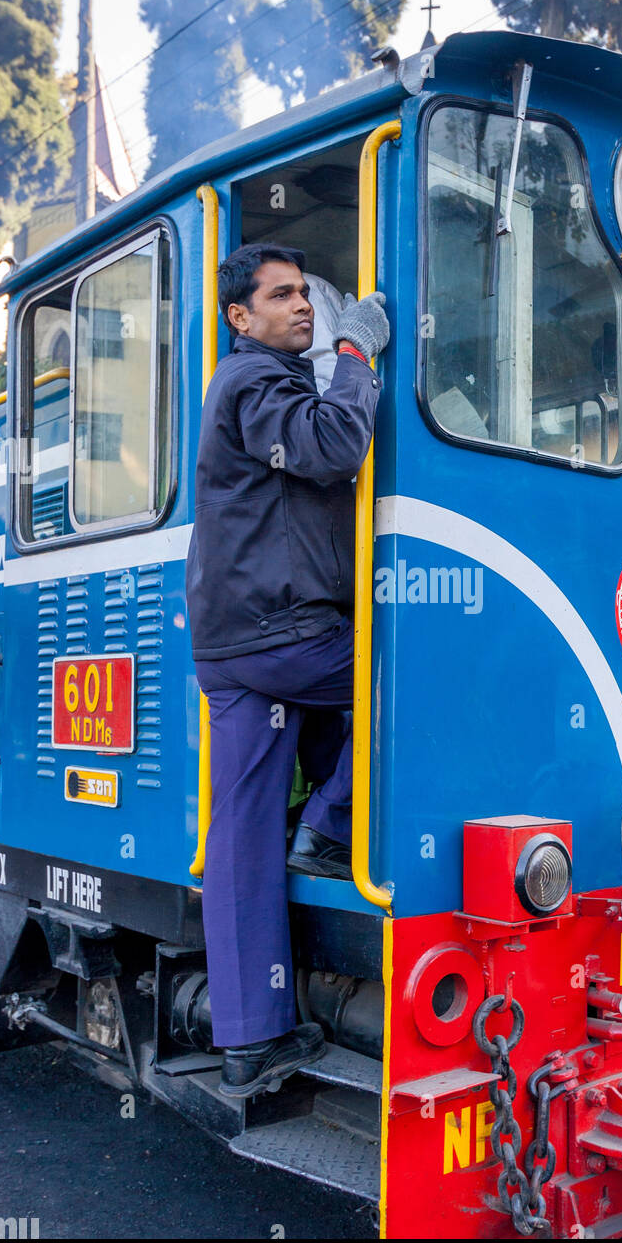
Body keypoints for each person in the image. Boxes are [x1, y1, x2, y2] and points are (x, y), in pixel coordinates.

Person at [185, 242, 390, 1098]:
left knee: (237, 833)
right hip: (279, 634)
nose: (302, 305)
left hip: (233, 645)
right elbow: (334, 445)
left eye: (307, 293)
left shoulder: (251, 383)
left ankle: (249, 1037)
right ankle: (334, 825)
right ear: (242, 317)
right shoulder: (253, 379)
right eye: (282, 295)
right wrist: (355, 354)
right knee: (413, 674)